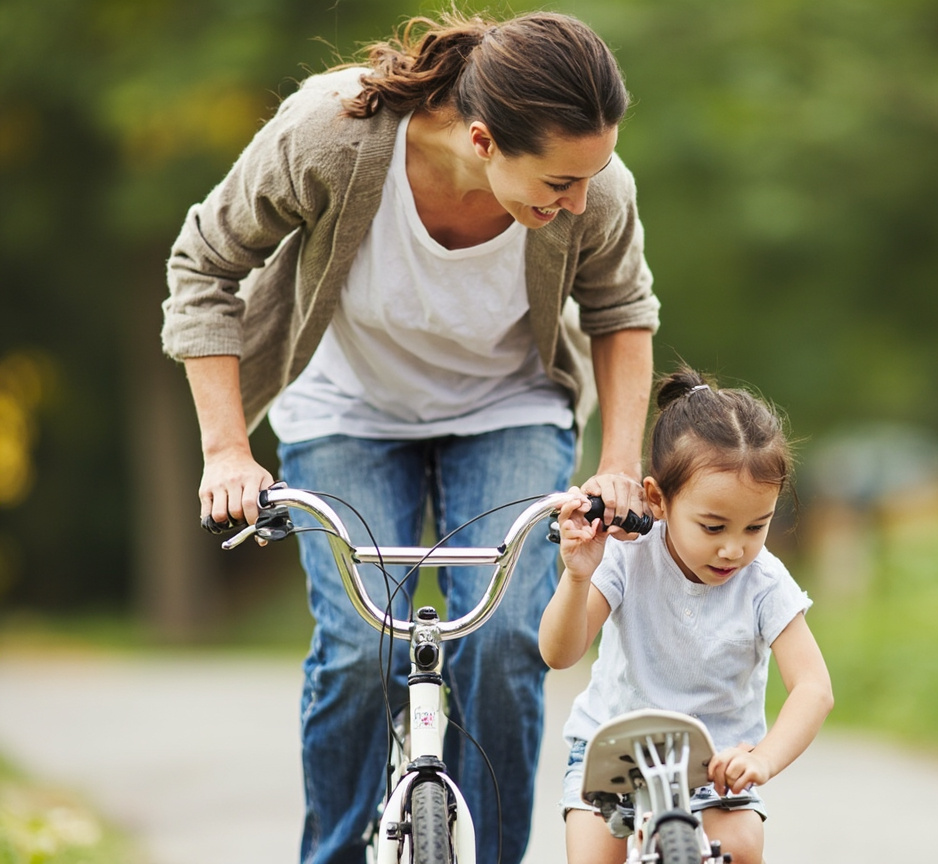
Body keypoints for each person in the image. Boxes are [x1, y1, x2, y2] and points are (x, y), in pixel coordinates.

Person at [161, 8, 659, 864]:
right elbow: (204, 266)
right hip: (345, 407)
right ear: (482, 139)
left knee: (504, 643)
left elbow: (621, 311)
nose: (580, 201)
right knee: (363, 649)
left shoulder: (596, 187)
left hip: (508, 407)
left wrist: (617, 464)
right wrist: (226, 452)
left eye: (591, 177)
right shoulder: (331, 137)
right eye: (559, 183)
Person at [539, 367, 834, 864]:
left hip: (716, 764)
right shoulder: (629, 554)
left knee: (740, 846)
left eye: (755, 527)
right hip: (616, 753)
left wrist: (762, 759)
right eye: (713, 527)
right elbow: (559, 653)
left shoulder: (763, 581)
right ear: (658, 499)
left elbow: (813, 688)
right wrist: (577, 577)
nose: (734, 549)